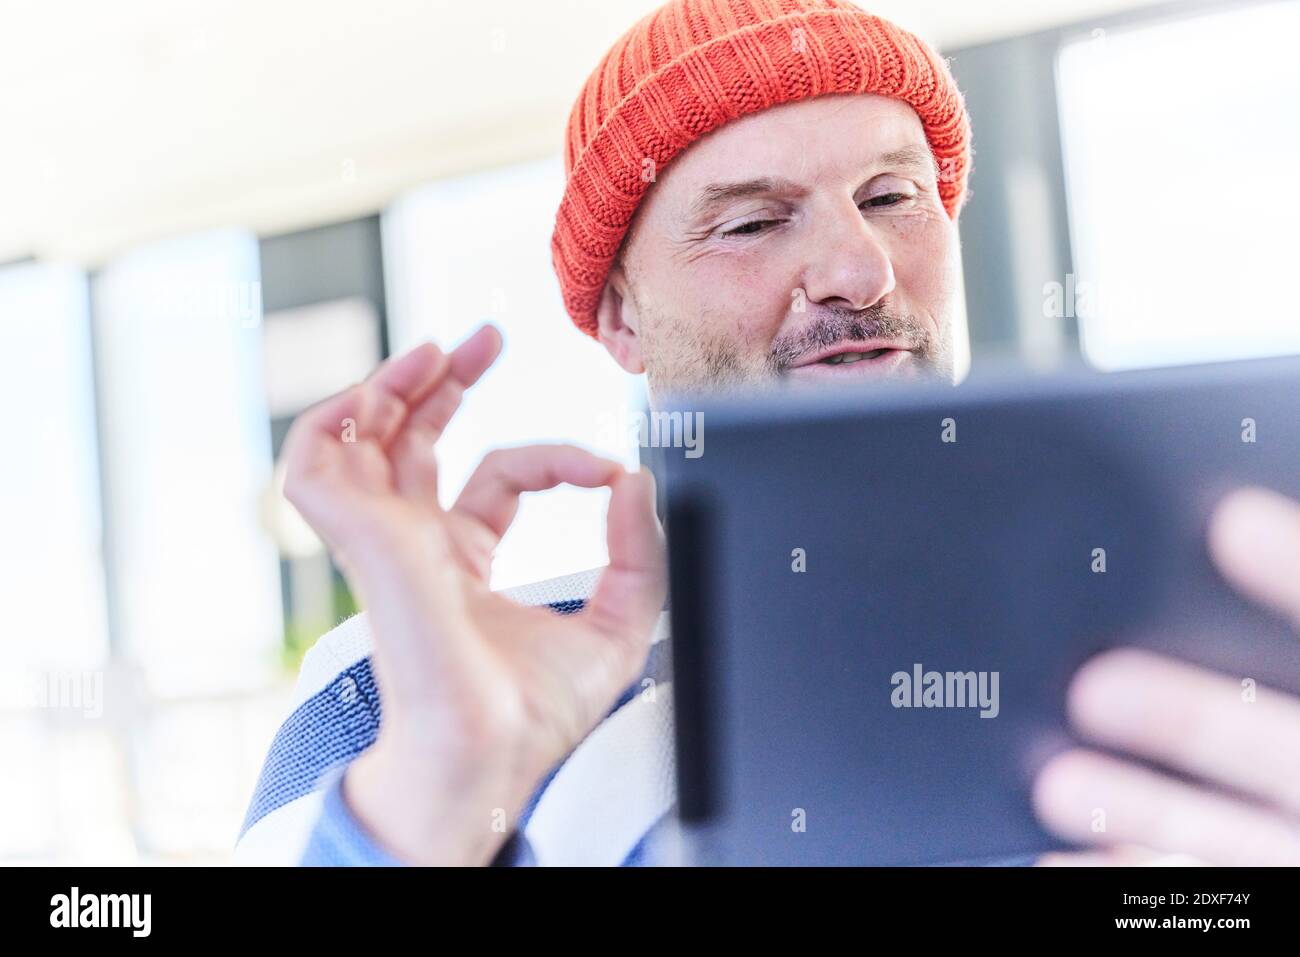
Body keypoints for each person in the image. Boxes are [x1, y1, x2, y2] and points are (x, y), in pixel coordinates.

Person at [236, 0, 1300, 866]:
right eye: (752, 221)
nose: (859, 270)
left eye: (891, 196)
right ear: (620, 318)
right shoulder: (405, 684)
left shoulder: (1218, 637)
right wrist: (425, 804)